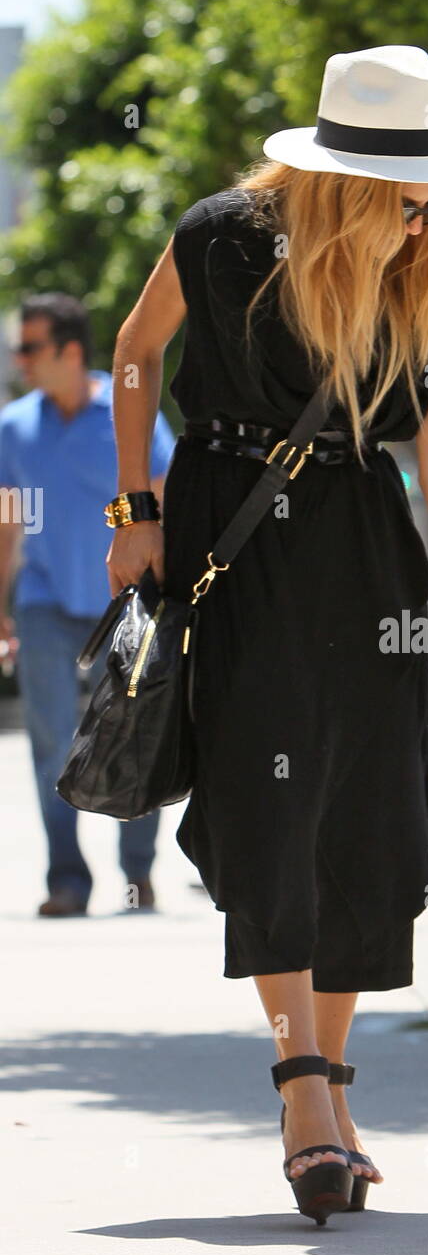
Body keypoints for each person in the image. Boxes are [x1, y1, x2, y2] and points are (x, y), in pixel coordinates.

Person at [105, 45, 428, 1225]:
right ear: (337, 180)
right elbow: (132, 351)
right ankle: (302, 1090)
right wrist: (135, 510)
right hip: (238, 539)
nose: (425, 218)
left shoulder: (425, 280)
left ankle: (330, 1080)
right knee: (270, 811)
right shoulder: (222, 236)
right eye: (403, 197)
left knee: (365, 818)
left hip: (364, 556)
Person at [0, 293, 175, 917]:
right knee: (51, 746)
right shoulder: (13, 426)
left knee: (132, 737)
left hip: (125, 605)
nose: (19, 359)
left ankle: (137, 874)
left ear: (70, 352)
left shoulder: (129, 414)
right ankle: (67, 882)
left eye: (30, 347)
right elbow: (6, 522)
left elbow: (161, 498)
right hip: (44, 604)